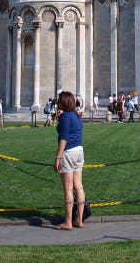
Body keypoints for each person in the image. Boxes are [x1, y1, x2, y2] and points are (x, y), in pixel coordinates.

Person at [53, 91, 86, 231]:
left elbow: (64, 138)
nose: (57, 102)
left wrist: (58, 157)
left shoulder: (66, 116)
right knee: (79, 187)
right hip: (79, 151)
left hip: (68, 153)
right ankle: (79, 219)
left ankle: (68, 222)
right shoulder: (76, 116)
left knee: (68, 188)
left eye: (59, 100)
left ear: (63, 102)